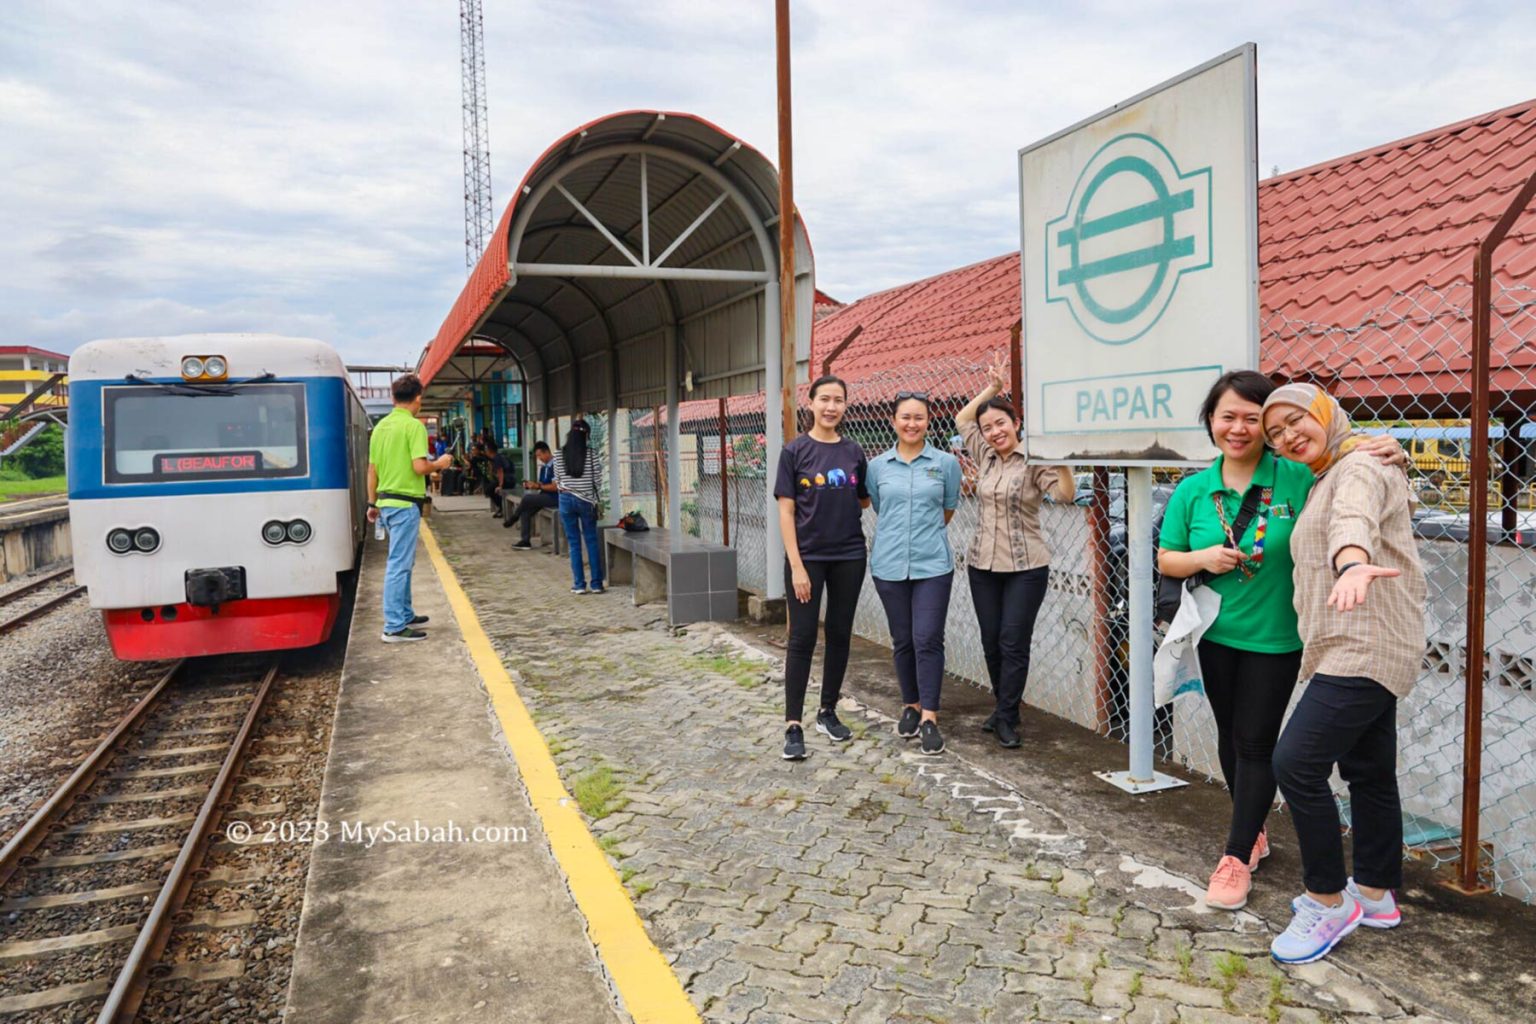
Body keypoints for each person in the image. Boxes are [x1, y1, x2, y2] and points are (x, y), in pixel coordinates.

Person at [1158, 371, 1404, 912]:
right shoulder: (1194, 490)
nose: (1239, 428)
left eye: (1252, 418)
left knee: (1257, 744)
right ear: (1211, 423)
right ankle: (1254, 830)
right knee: (1232, 733)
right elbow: (1167, 557)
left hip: (1280, 635)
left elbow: (1349, 475)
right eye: (1229, 417)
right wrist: (1204, 559)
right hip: (1218, 631)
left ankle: (1236, 852)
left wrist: (1383, 445)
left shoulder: (1295, 475)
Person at [1259, 383, 1425, 965]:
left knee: (1295, 762)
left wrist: (1352, 563)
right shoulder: (1340, 466)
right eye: (1275, 432)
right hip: (1355, 642)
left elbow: (1351, 522)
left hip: (1365, 642)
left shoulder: (1355, 466)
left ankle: (1328, 901)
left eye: (1296, 420)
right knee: (1368, 770)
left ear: (1324, 414)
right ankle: (1376, 895)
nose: (1286, 436)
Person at [955, 354, 1073, 749]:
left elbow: (1065, 494)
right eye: (988, 428)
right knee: (991, 639)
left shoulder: (1035, 460)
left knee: (1012, 640)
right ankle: (1004, 706)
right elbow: (961, 420)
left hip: (1026, 566)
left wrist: (1062, 459)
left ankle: (1007, 717)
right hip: (982, 563)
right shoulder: (985, 455)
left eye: (1001, 423)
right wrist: (992, 390)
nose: (993, 432)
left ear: (1016, 424)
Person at [774, 374, 871, 761]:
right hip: (807, 558)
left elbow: (863, 499)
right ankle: (793, 725)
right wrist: (796, 565)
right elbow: (786, 510)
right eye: (824, 399)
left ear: (846, 406)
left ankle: (827, 711)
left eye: (839, 400)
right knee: (801, 638)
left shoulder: (854, 452)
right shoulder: (795, 451)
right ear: (810, 402)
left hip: (849, 555)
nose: (831, 407)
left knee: (839, 632)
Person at [867, 392, 962, 755]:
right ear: (893, 421)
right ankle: (910, 704)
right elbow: (879, 506)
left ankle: (930, 717)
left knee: (927, 638)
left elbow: (948, 508)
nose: (912, 423)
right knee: (903, 638)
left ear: (928, 421)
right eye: (905, 417)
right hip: (888, 565)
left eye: (919, 417)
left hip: (932, 565)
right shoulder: (877, 467)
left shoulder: (945, 464)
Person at [366, 374, 453, 643]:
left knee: (403, 561)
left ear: (393, 398)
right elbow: (419, 467)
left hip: (386, 502)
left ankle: (404, 613)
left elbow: (372, 470)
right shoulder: (413, 427)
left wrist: (372, 503)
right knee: (399, 564)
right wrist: (441, 462)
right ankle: (393, 626)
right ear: (418, 398)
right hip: (405, 505)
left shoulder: (381, 427)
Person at [552, 418, 605, 595]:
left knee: (574, 543)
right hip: (586, 501)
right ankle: (596, 584)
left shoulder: (559, 454)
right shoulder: (591, 454)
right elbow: (597, 479)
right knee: (591, 541)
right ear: (586, 435)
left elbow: (557, 479)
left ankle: (579, 585)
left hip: (566, 499)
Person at [508, 442, 559, 547]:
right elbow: (541, 484)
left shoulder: (556, 466)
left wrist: (539, 487)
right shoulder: (544, 467)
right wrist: (532, 485)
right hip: (544, 496)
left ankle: (514, 517)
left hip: (555, 497)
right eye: (537, 456)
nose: (539, 458)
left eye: (540, 455)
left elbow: (555, 487)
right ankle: (525, 541)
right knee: (525, 511)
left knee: (527, 499)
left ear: (547, 452)